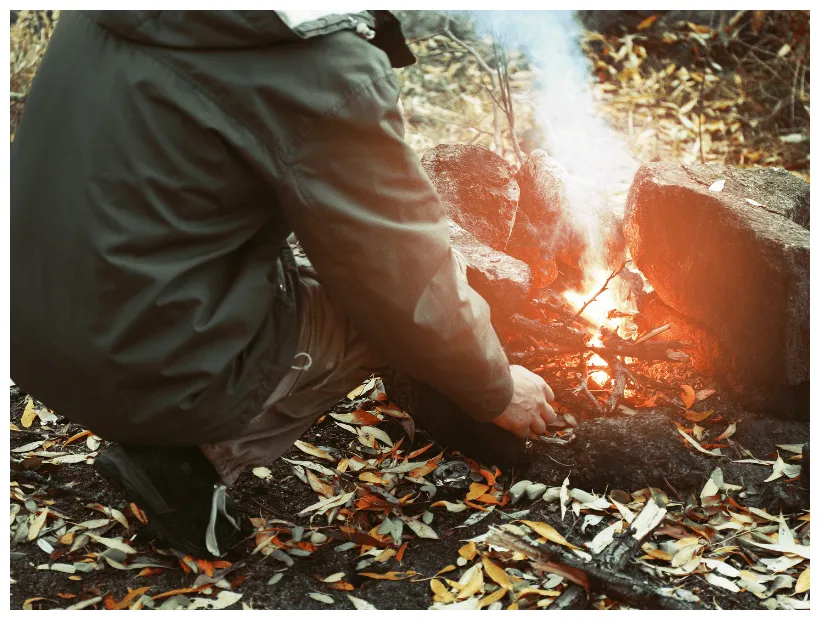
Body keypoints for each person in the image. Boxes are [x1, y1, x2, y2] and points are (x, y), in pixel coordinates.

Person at [10, 10, 556, 558]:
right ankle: (195, 461)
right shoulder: (316, 59)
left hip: (29, 329)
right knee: (379, 310)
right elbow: (404, 280)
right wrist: (496, 388)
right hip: (139, 363)